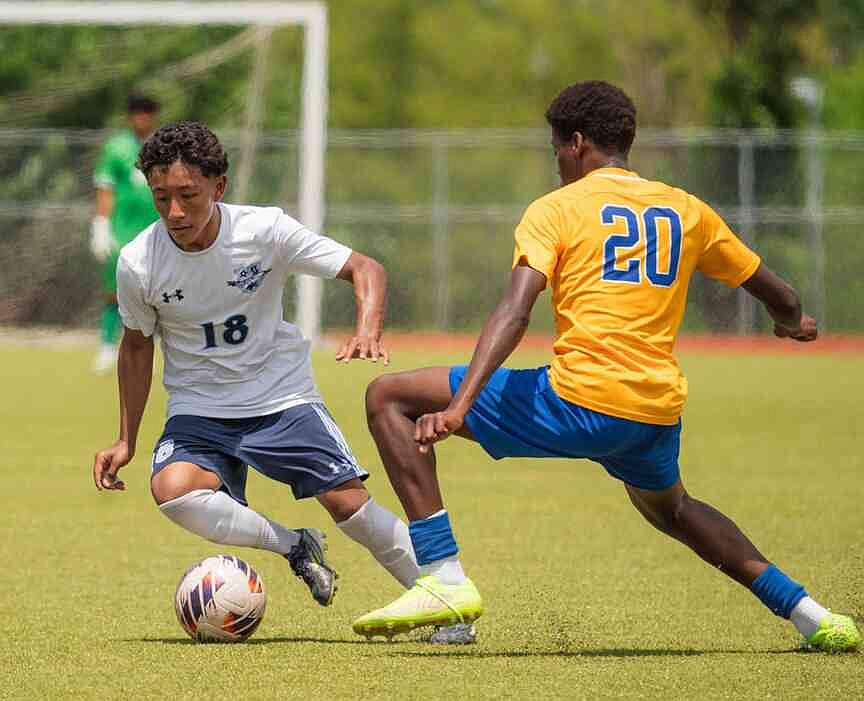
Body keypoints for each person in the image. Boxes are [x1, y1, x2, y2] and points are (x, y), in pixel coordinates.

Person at [352, 81, 861, 653]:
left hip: (576, 399)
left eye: (555, 152)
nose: (557, 165)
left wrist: (459, 405)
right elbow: (782, 296)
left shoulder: (557, 209)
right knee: (676, 510)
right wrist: (792, 325)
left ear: (575, 143)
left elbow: (516, 311)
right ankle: (811, 614)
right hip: (652, 412)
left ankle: (443, 579)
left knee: (388, 396)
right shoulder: (685, 209)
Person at [90, 121, 472, 644]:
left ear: (218, 188)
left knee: (348, 507)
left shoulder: (264, 230)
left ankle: (445, 605)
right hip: (199, 409)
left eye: (187, 195)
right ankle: (294, 546)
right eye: (162, 197)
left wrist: (366, 327)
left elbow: (365, 268)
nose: (175, 212)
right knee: (172, 491)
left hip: (281, 397)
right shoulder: (138, 261)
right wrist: (127, 438)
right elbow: (136, 345)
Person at [90, 94, 162, 374]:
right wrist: (100, 224)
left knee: (156, 293)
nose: (142, 117)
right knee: (114, 292)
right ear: (130, 115)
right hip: (122, 231)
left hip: (155, 229)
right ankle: (107, 347)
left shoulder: (162, 146)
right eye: (137, 112)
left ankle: (153, 349)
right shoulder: (116, 147)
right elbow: (105, 186)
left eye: (147, 111)